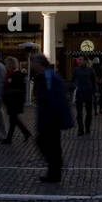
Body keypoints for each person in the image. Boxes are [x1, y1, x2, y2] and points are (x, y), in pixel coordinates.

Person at [33, 54, 73, 184]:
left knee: (48, 144)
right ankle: (54, 171)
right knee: (51, 145)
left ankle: (55, 169)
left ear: (40, 63)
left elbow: (53, 99)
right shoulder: (46, 76)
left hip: (51, 118)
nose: (32, 65)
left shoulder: (49, 77)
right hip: (49, 116)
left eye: (34, 62)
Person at [0, 56, 31, 144]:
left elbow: (19, 89)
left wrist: (7, 92)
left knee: (12, 120)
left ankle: (9, 138)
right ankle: (25, 132)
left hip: (15, 101)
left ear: (10, 64)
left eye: (6, 64)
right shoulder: (11, 74)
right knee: (14, 119)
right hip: (11, 101)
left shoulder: (16, 75)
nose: (5, 66)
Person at [71, 55, 96, 136]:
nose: (79, 61)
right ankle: (80, 129)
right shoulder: (76, 70)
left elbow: (93, 81)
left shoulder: (90, 70)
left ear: (85, 61)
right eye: (79, 60)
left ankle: (87, 127)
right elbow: (73, 80)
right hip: (80, 93)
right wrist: (74, 87)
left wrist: (95, 91)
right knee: (79, 113)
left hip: (88, 93)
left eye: (81, 60)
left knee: (89, 112)